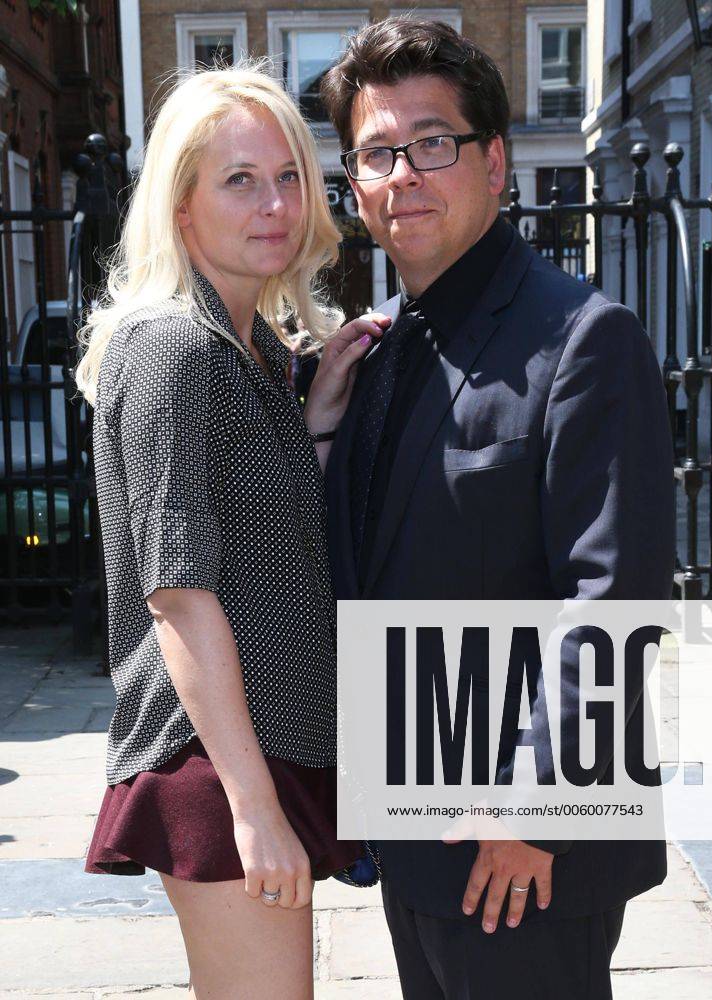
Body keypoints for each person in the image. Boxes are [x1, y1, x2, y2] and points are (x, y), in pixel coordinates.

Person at [320, 18, 675, 1000]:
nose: (404, 174)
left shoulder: (583, 337)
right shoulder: (379, 352)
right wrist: (321, 436)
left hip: (519, 850)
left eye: (432, 142)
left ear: (493, 163)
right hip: (411, 823)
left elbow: (615, 597)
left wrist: (530, 805)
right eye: (377, 152)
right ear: (355, 183)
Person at [77, 62, 387, 1000]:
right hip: (216, 761)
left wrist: (316, 419)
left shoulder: (250, 351)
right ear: (181, 207)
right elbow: (177, 595)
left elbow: (274, 544)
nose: (275, 204)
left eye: (288, 175)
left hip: (261, 742)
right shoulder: (171, 347)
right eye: (240, 180)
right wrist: (252, 809)